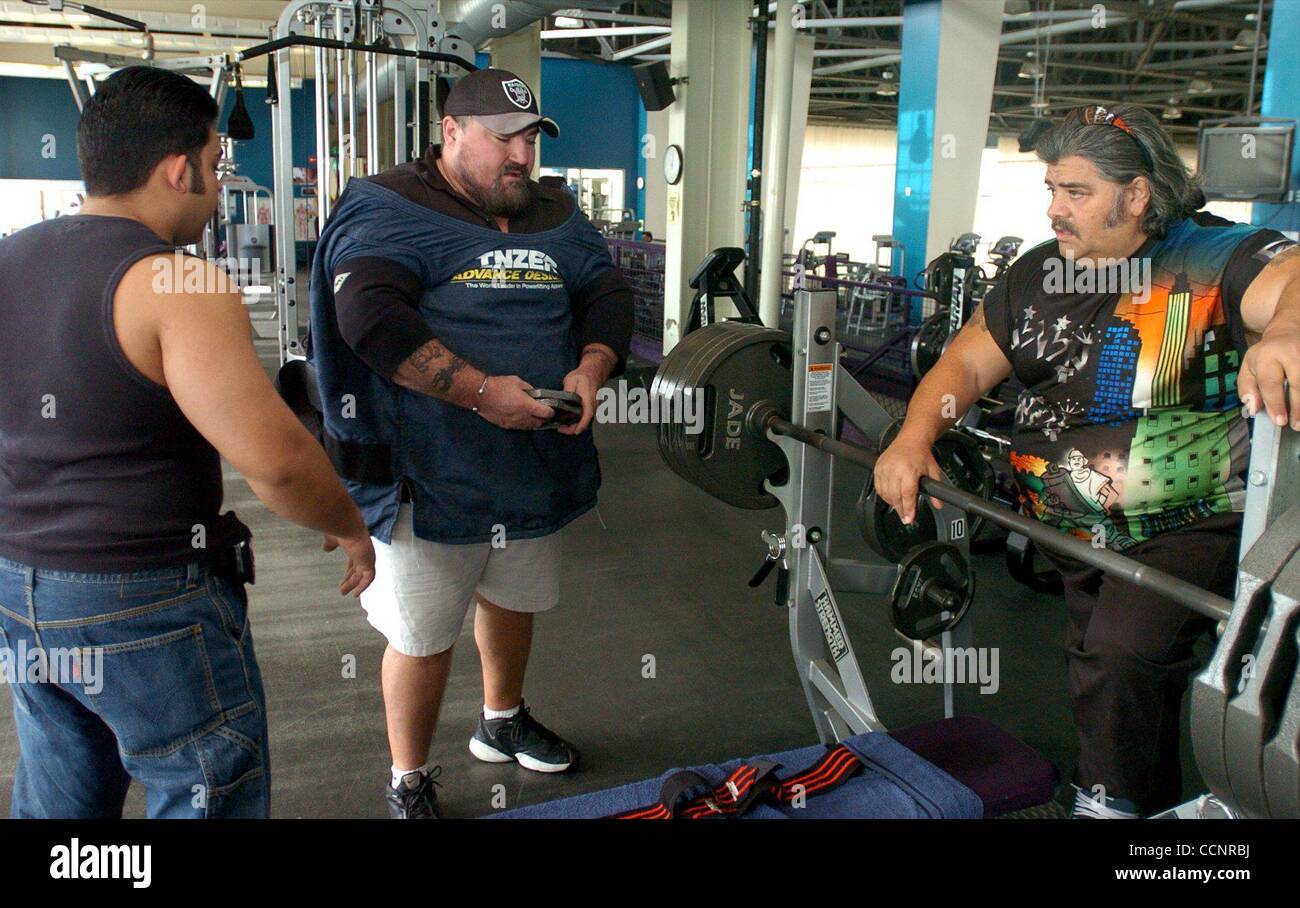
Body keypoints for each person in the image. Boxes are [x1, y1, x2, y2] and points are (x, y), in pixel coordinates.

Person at [873, 104, 1300, 818]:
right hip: (1069, 529)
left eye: (1076, 193)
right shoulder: (1039, 271)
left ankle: (1108, 810)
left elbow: (1294, 275)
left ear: (1136, 195)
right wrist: (914, 436)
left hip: (1184, 525)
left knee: (1122, 653)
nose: (1054, 210)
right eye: (1050, 189)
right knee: (1105, 671)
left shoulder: (1206, 255)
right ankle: (1133, 801)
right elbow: (967, 365)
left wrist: (1285, 331)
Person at [0, 67, 376, 819]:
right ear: (180, 168)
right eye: (214, 165)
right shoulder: (175, 284)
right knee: (202, 788)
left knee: (62, 790)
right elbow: (276, 462)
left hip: (19, 581)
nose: (214, 186)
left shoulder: (9, 257)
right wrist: (350, 525)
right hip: (146, 595)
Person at [307, 68, 634, 818]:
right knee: (422, 638)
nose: (520, 156)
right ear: (451, 133)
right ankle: (409, 778)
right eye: (502, 138)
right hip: (431, 478)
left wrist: (591, 366)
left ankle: (502, 718)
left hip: (530, 468)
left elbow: (605, 291)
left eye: (529, 139)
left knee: (514, 600)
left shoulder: (553, 210)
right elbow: (372, 319)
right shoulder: (390, 206)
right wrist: (483, 394)